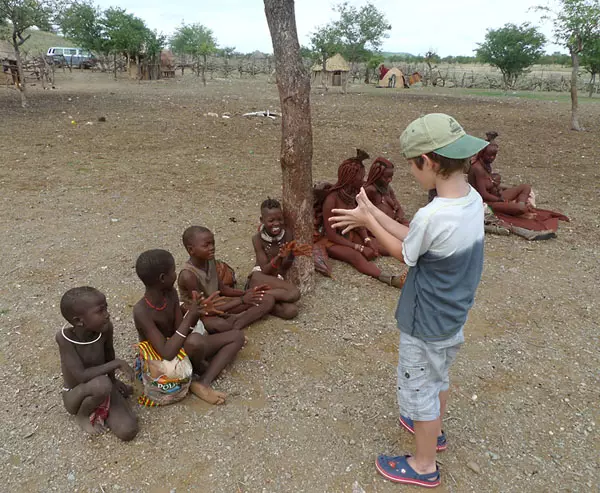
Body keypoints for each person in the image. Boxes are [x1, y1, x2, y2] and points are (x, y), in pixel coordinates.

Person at [330, 113, 488, 488]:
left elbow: (405, 254)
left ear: (429, 162)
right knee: (438, 378)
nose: (413, 175)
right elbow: (416, 236)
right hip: (452, 316)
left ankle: (423, 464)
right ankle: (434, 432)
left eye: (413, 166)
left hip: (425, 321)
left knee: (422, 391)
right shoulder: (470, 200)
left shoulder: (434, 215)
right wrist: (371, 214)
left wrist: (370, 222)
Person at [133, 249, 244, 405]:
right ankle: (198, 373)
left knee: (236, 336)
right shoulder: (141, 311)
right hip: (161, 362)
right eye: (173, 271)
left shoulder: (170, 293)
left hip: (178, 345)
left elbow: (182, 329)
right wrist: (191, 315)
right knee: (195, 342)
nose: (176, 274)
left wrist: (198, 313)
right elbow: (167, 352)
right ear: (163, 278)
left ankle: (202, 382)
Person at [316, 149, 406, 288]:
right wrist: (359, 248)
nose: (364, 180)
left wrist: (367, 240)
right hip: (333, 241)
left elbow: (359, 221)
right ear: (351, 178)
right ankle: (389, 279)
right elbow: (332, 235)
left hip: (351, 234)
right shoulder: (331, 200)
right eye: (361, 177)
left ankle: (415, 259)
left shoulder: (354, 194)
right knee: (355, 256)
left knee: (381, 246)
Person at [57, 286, 138, 440]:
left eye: (106, 308)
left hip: (105, 386)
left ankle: (104, 404)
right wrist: (116, 364)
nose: (107, 315)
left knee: (128, 431)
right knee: (101, 384)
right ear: (79, 321)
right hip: (77, 396)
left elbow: (109, 354)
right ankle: (83, 415)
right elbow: (81, 376)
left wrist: (114, 380)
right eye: (100, 311)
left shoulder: (105, 329)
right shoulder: (65, 339)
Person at [469, 132, 568, 240]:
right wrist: (500, 200)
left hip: (497, 196)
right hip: (487, 202)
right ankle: (522, 210)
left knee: (525, 187)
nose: (492, 158)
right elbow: (483, 194)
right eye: (489, 155)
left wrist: (504, 190)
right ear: (482, 154)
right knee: (519, 208)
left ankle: (522, 206)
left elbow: (491, 184)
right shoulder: (477, 168)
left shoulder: (486, 165)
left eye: (494, 155)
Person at [178, 226, 276, 332]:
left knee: (267, 299)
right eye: (206, 245)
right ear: (191, 250)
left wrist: (246, 293)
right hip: (202, 313)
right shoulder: (188, 275)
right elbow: (203, 309)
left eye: (213, 243)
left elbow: (223, 289)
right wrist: (241, 300)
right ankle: (234, 323)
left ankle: (236, 324)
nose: (212, 248)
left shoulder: (209, 260)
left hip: (218, 303)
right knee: (219, 325)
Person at [247, 198, 311, 320]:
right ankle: (251, 295)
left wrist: (292, 254)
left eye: (279, 219)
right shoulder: (257, 239)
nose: (276, 223)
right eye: (271, 220)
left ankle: (257, 300)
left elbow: (285, 266)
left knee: (290, 311)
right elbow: (265, 270)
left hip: (275, 279)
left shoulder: (287, 234)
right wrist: (279, 257)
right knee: (294, 293)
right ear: (262, 220)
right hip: (260, 277)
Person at [364, 157, 410, 230]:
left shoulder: (387, 188)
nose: (390, 180)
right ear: (377, 175)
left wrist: (398, 217)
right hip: (379, 228)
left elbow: (397, 205)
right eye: (386, 177)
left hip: (393, 222)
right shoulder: (370, 190)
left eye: (391, 177)